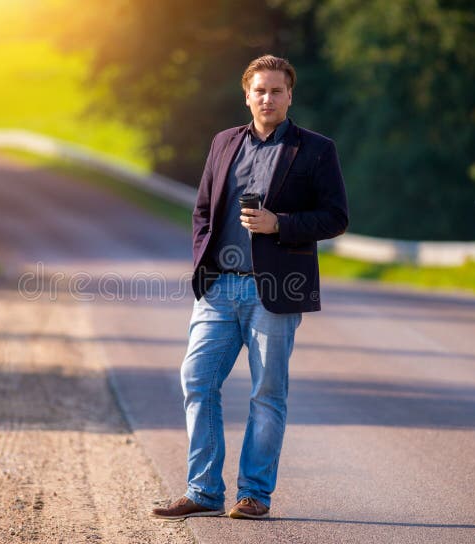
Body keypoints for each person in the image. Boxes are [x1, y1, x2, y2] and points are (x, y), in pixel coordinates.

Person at [151, 55, 349, 520]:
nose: (268, 98)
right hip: (219, 288)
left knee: (267, 393)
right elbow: (203, 210)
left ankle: (254, 494)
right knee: (197, 380)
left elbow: (337, 217)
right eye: (260, 90)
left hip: (274, 292)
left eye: (277, 91)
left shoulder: (316, 150)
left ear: (289, 96)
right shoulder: (223, 143)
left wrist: (280, 224)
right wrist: (204, 258)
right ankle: (203, 491)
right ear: (247, 94)